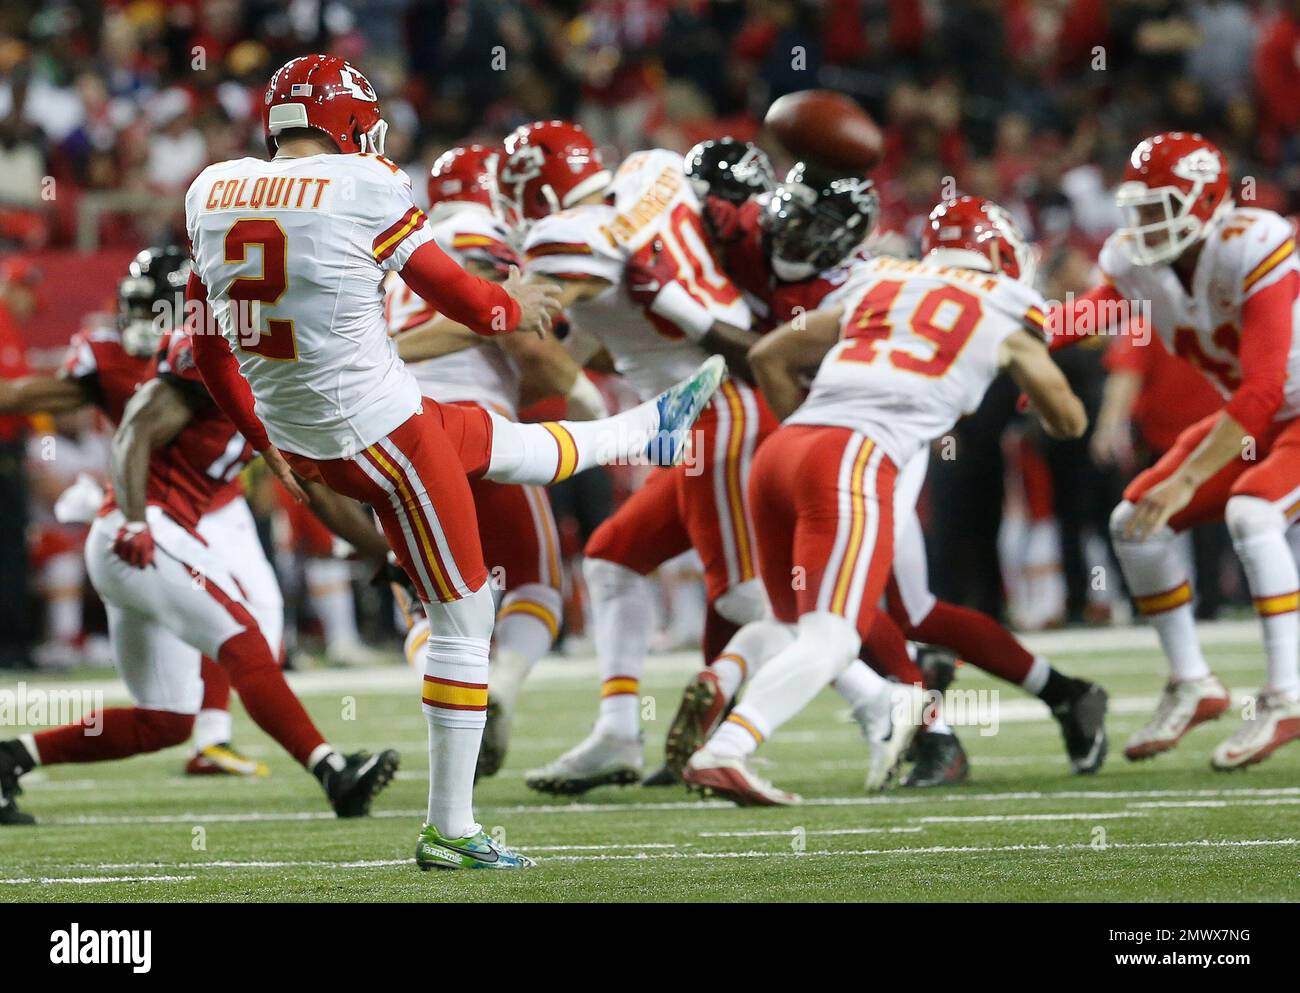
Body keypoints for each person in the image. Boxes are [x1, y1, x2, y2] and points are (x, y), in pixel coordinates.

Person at [184, 56, 725, 870]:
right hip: (380, 436)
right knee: (467, 616)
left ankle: (642, 430)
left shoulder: (210, 190)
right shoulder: (362, 187)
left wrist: (267, 444)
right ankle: (451, 827)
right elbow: (467, 301)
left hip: (312, 434)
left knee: (489, 437)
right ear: (343, 122)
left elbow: (206, 349)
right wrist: (524, 306)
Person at [681, 197, 1088, 805]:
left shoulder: (885, 277)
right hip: (851, 455)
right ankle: (727, 750)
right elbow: (1066, 419)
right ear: (1003, 257)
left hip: (783, 450)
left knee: (785, 623)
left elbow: (769, 355)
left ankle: (725, 678)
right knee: (836, 637)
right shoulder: (1005, 305)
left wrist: (812, 429)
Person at [1053, 132, 1300, 769]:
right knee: (1132, 526)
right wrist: (996, 327)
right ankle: (1194, 681)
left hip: (1281, 409)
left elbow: (1266, 387)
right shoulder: (1135, 261)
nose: (1142, 224)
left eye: (1159, 207)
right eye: (1136, 207)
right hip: (1255, 419)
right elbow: (1076, 321)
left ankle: (1287, 695)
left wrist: (1187, 480)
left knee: (1252, 512)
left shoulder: (1252, 241)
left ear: (1205, 202)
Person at [0, 257, 40, 670]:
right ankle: (11, 646)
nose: (31, 302)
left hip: (12, 449)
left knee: (13, 547)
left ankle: (14, 643)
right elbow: (8, 394)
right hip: (3, 448)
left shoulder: (10, 325)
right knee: (10, 549)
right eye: (26, 290)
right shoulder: (2, 323)